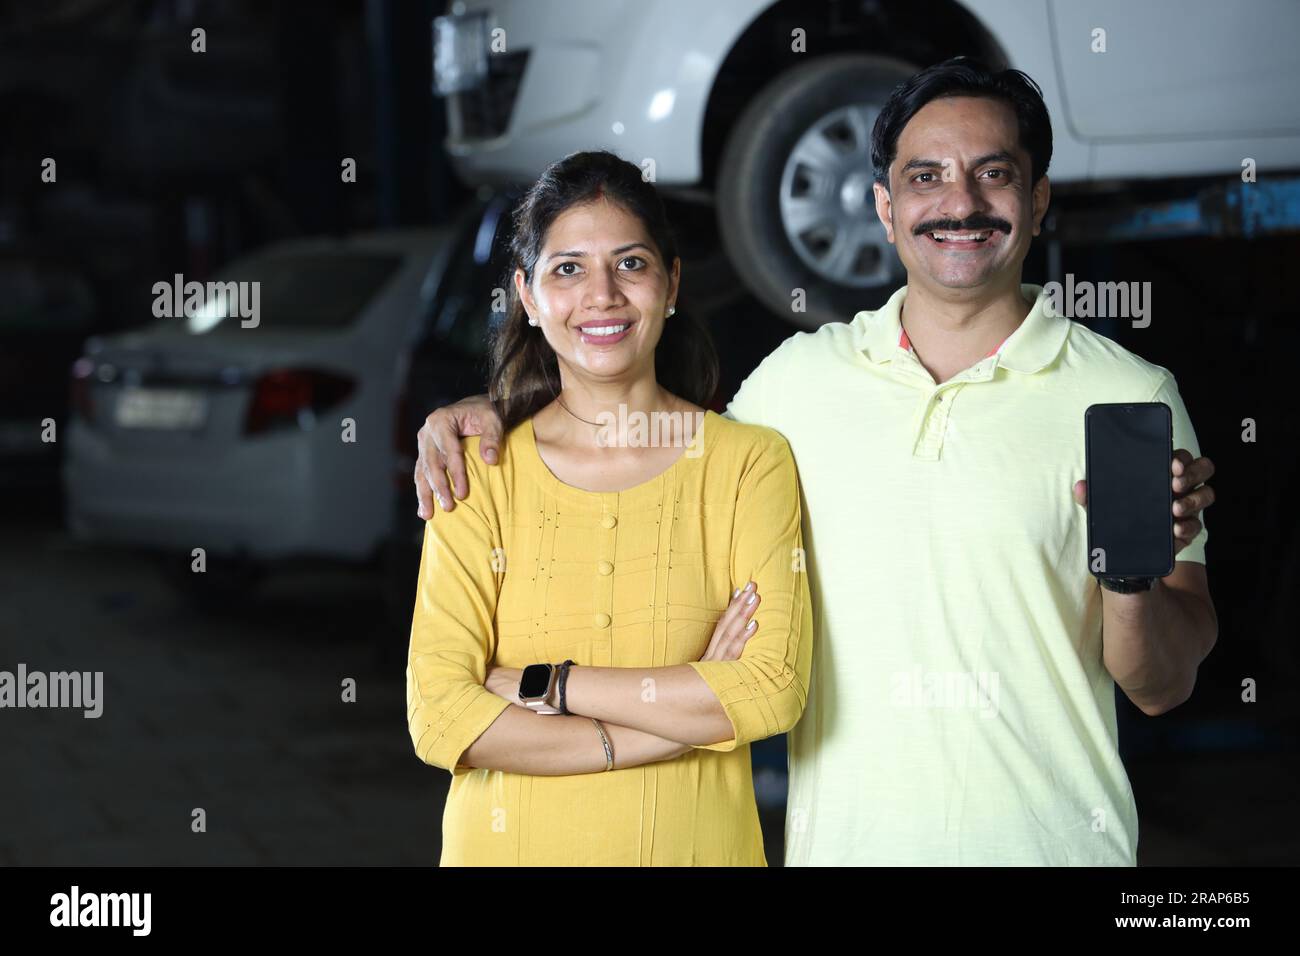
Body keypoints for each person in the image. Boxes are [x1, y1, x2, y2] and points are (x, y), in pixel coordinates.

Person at [413, 58, 1219, 866]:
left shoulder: (1126, 395)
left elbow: (1161, 685)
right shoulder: (797, 386)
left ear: (1037, 199)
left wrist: (1129, 585)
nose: (960, 203)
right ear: (885, 205)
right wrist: (493, 412)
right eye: (926, 176)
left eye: (994, 174)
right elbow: (632, 434)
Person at [406, 150, 813, 866]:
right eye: (567, 269)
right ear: (528, 298)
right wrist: (669, 728)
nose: (602, 295)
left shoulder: (750, 463)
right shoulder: (478, 470)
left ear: (672, 282)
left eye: (630, 263)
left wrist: (545, 685)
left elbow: (771, 691)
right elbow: (441, 719)